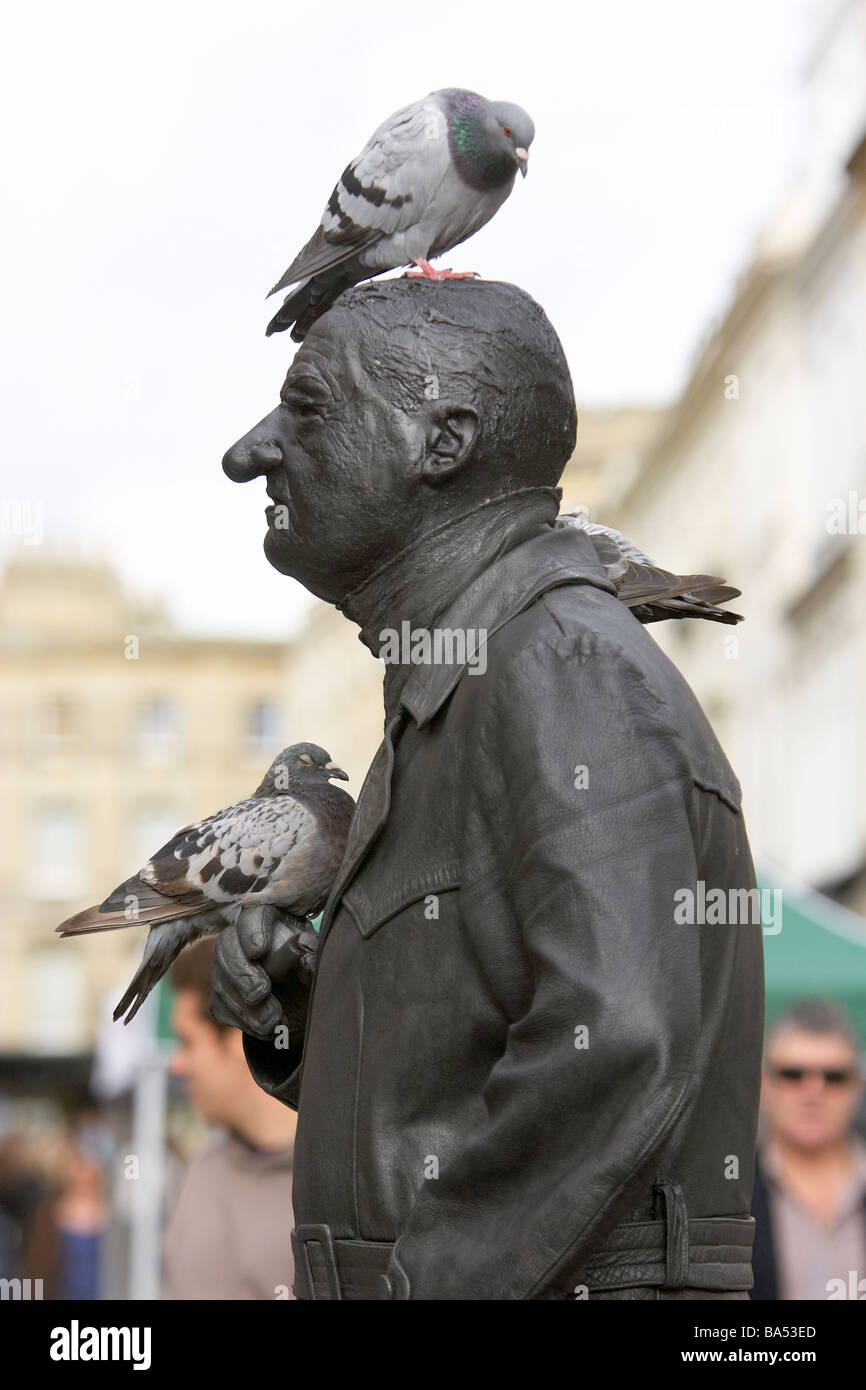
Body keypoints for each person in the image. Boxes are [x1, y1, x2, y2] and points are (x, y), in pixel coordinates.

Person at [214, 276, 765, 1300]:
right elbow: (459, 1081)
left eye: (307, 408)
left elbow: (613, 1046)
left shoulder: (557, 667)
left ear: (442, 441)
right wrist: (299, 1007)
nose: (249, 452)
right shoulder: (462, 688)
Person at [162, 938, 296, 1300]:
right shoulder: (201, 1170)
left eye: (187, 1042)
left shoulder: (344, 1188)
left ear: (238, 1040)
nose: (176, 1065)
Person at [751, 998, 866, 1300]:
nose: (813, 1091)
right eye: (793, 1075)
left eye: (833, 1077)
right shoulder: (728, 1194)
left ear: (857, 1086)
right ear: (765, 1084)